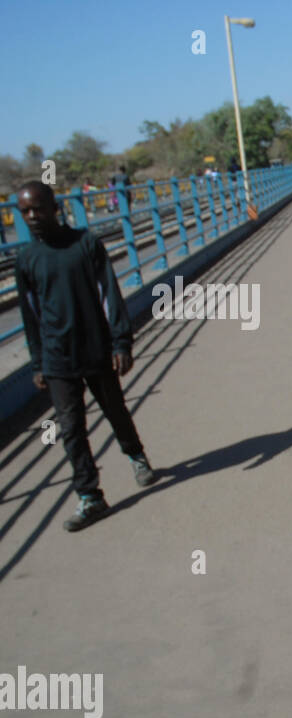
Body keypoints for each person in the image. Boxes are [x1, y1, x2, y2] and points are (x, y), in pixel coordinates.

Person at [14, 180, 157, 531]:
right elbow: (30, 316)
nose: (32, 216)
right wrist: (38, 362)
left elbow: (110, 293)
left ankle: (136, 455)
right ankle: (90, 496)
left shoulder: (85, 244)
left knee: (115, 411)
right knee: (71, 428)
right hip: (56, 358)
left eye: (38, 208)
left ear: (55, 208)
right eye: (25, 211)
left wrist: (121, 342)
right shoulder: (27, 259)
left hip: (96, 349)